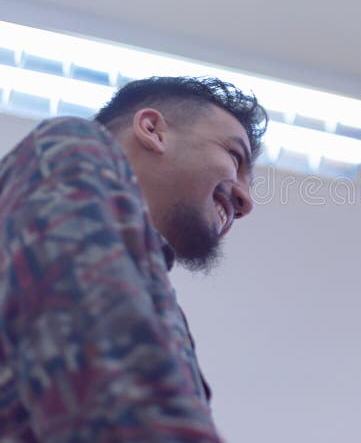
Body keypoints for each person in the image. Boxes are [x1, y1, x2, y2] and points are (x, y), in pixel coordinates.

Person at [0, 76, 267, 441]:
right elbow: (104, 365)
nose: (245, 200)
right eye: (235, 158)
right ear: (152, 129)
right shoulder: (73, 147)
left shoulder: (161, 299)